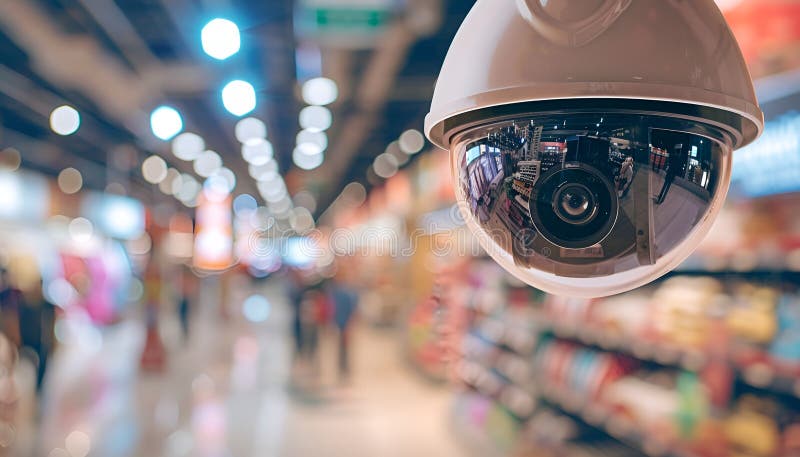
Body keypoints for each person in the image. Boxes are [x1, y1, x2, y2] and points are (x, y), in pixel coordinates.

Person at [326, 278, 358, 380]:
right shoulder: (338, 294)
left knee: (344, 348)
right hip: (340, 323)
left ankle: (344, 367)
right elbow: (334, 309)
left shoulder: (344, 294)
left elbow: (350, 310)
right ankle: (342, 367)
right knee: (341, 347)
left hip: (343, 323)